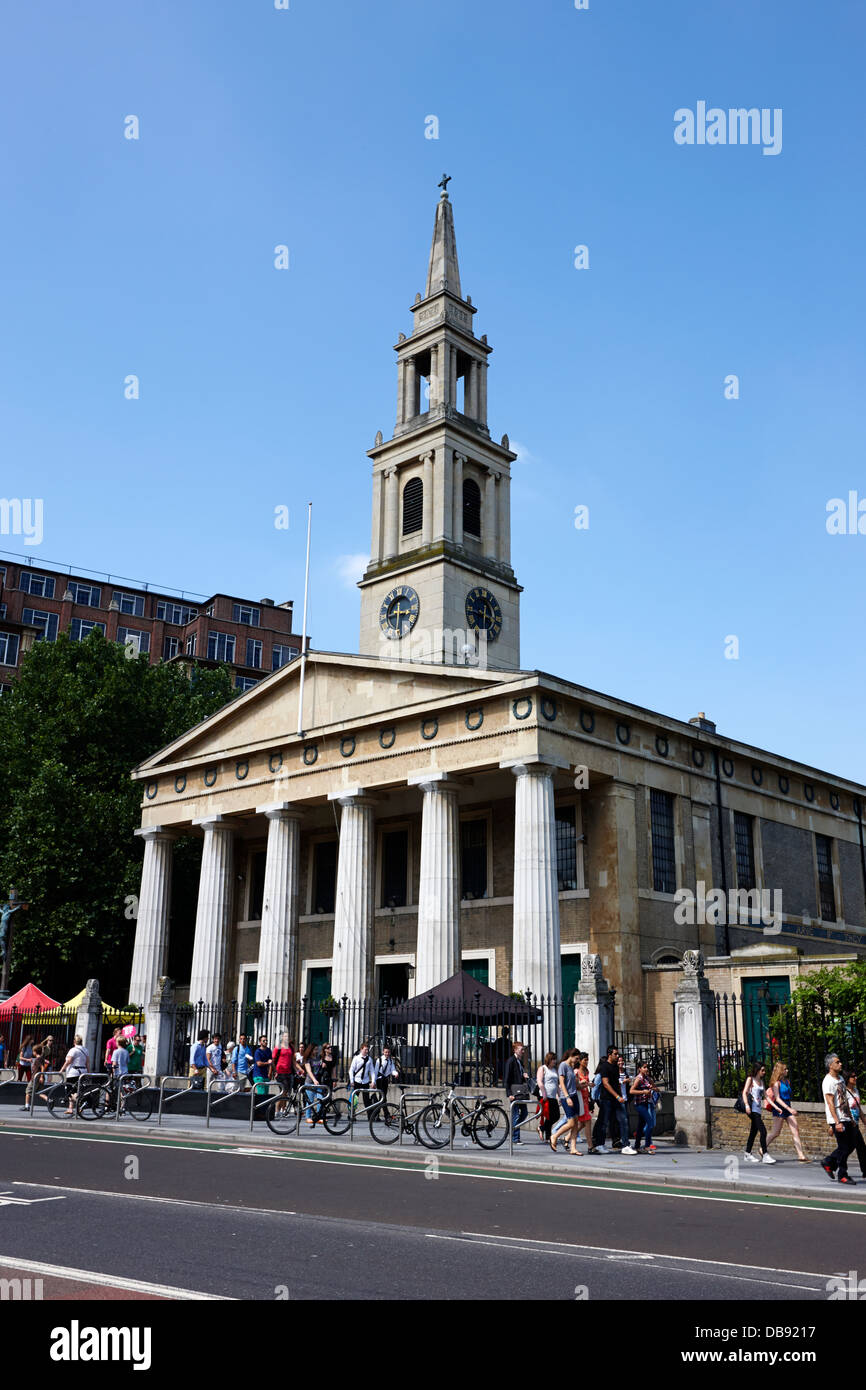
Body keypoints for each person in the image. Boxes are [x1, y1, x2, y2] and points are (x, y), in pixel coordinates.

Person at [821, 1053, 857, 1184]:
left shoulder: (841, 1078)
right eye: (837, 1062)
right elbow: (830, 1103)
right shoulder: (828, 1081)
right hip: (837, 1119)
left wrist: (851, 1117)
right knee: (843, 1147)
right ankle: (842, 1174)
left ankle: (829, 1162)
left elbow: (845, 1101)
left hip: (846, 1117)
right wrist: (836, 1122)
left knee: (851, 1145)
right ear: (831, 1065)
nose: (840, 1064)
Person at [765, 1062, 807, 1161]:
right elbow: (778, 1098)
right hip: (779, 1108)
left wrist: (789, 1108)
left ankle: (801, 1155)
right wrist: (789, 1109)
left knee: (795, 1130)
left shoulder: (787, 1082)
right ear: (781, 1071)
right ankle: (762, 1148)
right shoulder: (777, 1083)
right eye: (785, 1069)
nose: (787, 1071)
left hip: (788, 1107)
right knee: (775, 1133)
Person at [592, 1044, 628, 1154]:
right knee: (604, 1122)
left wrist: (620, 1095)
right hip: (606, 1099)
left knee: (623, 1120)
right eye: (615, 1054)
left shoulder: (616, 1067)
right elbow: (606, 1084)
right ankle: (599, 1144)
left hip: (616, 1099)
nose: (617, 1056)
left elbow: (616, 1083)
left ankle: (626, 1145)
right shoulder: (604, 1067)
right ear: (609, 1055)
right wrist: (617, 1096)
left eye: (618, 1054)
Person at [741, 1061, 775, 1164]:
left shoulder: (761, 1082)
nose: (764, 1072)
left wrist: (775, 1107)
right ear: (757, 1070)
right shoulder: (750, 1079)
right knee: (763, 1131)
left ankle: (747, 1153)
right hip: (752, 1110)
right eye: (762, 1070)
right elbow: (744, 1092)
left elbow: (766, 1097)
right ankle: (765, 1154)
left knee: (754, 1131)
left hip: (758, 1110)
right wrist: (746, 1105)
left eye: (764, 1070)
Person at [551, 1047, 580, 1155]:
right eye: (576, 1058)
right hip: (566, 1097)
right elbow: (562, 1083)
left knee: (576, 1124)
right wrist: (567, 1097)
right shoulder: (563, 1065)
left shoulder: (571, 1067)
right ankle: (554, 1136)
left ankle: (573, 1148)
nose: (577, 1061)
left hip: (574, 1096)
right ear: (571, 1056)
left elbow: (573, 1084)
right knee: (571, 1122)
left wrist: (585, 1084)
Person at [504, 1040, 530, 1144]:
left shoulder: (519, 1061)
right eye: (521, 1049)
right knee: (515, 1115)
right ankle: (515, 1138)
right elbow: (507, 1078)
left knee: (524, 1113)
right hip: (514, 1093)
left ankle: (514, 1131)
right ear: (515, 1050)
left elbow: (519, 1076)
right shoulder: (511, 1061)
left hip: (520, 1092)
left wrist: (524, 1077)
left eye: (523, 1049)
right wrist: (509, 1093)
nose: (523, 1051)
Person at [630, 1062, 657, 1153]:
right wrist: (643, 1092)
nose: (646, 1069)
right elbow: (631, 1091)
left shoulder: (647, 1078)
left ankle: (637, 1146)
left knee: (640, 1125)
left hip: (645, 1103)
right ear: (639, 1069)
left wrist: (653, 1088)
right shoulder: (639, 1079)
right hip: (639, 1104)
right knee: (650, 1123)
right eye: (644, 1067)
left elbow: (655, 1087)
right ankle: (647, 1145)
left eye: (647, 1067)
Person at [843, 1071, 866, 1179]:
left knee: (855, 1147)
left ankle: (831, 1161)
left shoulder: (856, 1091)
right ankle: (831, 1161)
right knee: (857, 1147)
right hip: (848, 1122)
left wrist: (863, 1119)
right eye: (853, 1076)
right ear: (848, 1079)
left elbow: (858, 1107)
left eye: (856, 1076)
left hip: (855, 1123)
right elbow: (843, 1109)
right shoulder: (845, 1092)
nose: (855, 1078)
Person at [60, 1035, 90, 1116]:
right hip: (82, 1072)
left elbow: (69, 1061)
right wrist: (88, 1072)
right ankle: (71, 1108)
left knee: (69, 1091)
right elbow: (87, 1062)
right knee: (78, 1090)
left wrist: (62, 1069)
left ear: (74, 1041)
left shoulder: (73, 1050)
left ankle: (80, 1104)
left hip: (73, 1073)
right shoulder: (85, 1050)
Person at [537, 1051, 560, 1144]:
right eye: (552, 1059)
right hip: (545, 1096)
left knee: (555, 1116)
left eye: (555, 1059)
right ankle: (547, 1136)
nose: (554, 1061)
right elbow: (539, 1081)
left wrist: (559, 1095)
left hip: (553, 1096)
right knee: (550, 1116)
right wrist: (544, 1093)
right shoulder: (543, 1068)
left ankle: (542, 1129)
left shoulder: (554, 1070)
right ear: (548, 1060)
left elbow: (557, 1084)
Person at [302, 1045, 328, 1124]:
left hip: (318, 1082)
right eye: (315, 1049)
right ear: (311, 1050)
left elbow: (320, 1068)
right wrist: (314, 1080)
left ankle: (318, 1116)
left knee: (321, 1099)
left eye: (317, 1049)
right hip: (310, 1082)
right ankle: (308, 1117)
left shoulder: (318, 1058)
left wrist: (323, 1065)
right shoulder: (307, 1060)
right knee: (310, 1100)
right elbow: (309, 1071)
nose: (316, 1051)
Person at [616, 1057, 637, 1153]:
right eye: (619, 1061)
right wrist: (622, 1082)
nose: (621, 1062)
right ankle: (625, 1143)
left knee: (625, 1121)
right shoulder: (615, 1072)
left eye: (622, 1060)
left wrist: (629, 1081)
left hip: (625, 1099)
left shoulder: (625, 1072)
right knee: (623, 1122)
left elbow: (630, 1083)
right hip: (618, 1099)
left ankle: (624, 1142)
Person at [349, 1042, 376, 1112]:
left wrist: (373, 1081)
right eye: (365, 1050)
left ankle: (369, 1115)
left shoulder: (369, 1059)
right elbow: (351, 1070)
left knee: (366, 1100)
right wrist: (352, 1081)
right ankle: (352, 1114)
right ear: (361, 1049)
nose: (367, 1051)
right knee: (354, 1099)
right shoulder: (356, 1058)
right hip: (357, 1081)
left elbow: (372, 1071)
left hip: (365, 1081)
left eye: (367, 1050)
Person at [271, 1034, 295, 1113]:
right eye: (285, 1036)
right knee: (283, 1091)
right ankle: (277, 1110)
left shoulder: (291, 1047)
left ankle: (283, 1109)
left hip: (289, 1072)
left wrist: (299, 1069)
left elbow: (293, 1060)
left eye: (288, 1036)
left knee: (286, 1092)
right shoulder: (278, 1048)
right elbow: (273, 1060)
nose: (287, 1038)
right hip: (280, 1072)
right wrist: (274, 1071)